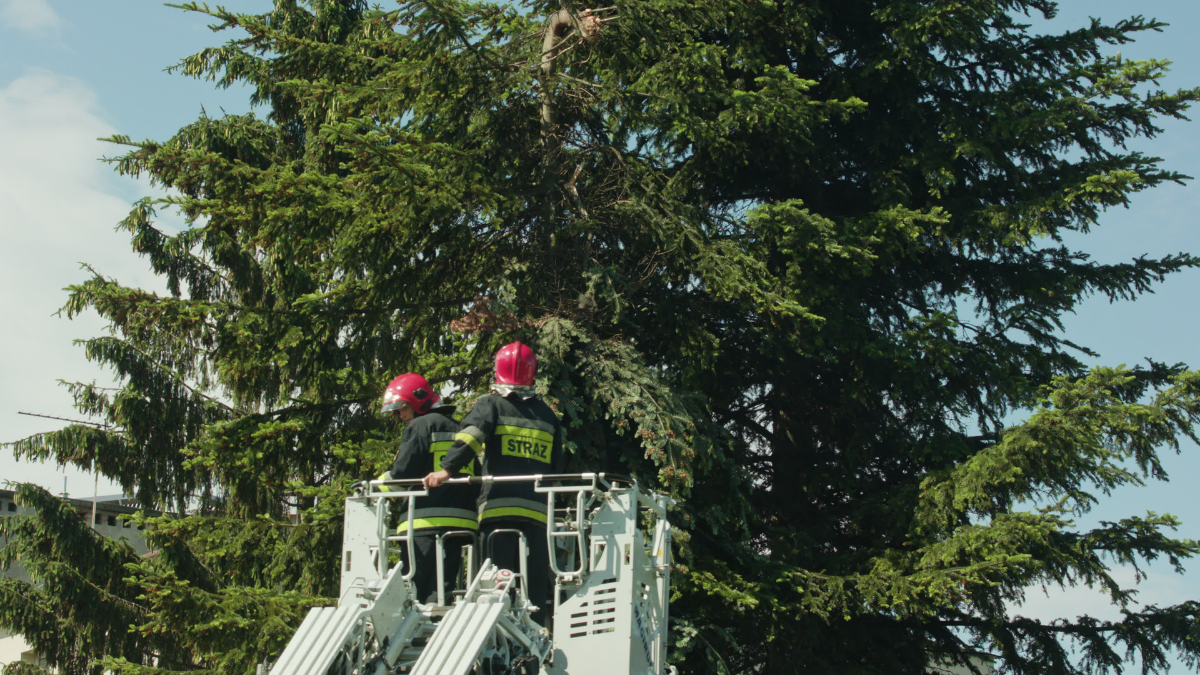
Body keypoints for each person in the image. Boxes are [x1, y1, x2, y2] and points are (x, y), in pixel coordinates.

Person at [423, 341, 563, 625]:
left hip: (498, 509)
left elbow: (470, 438)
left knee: (494, 581)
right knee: (533, 584)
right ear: (531, 374)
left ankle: (491, 629)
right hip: (537, 514)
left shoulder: (491, 404)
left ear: (498, 372)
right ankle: (535, 633)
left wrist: (447, 470)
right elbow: (557, 467)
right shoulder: (548, 416)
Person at [378, 373, 477, 605]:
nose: (401, 415)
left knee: (418, 591)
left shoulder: (420, 426)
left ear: (417, 401)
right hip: (462, 524)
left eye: (403, 407)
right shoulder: (462, 431)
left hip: (424, 523)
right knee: (443, 587)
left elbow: (402, 474)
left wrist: (376, 486)